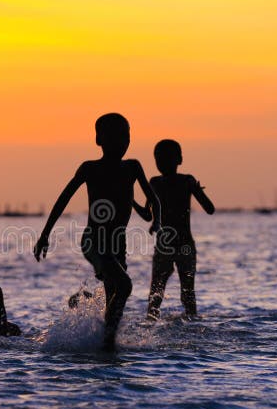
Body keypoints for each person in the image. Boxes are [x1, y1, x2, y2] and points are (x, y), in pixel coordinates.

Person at [33, 113, 160, 350]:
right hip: (94, 241)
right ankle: (106, 343)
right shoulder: (90, 168)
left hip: (117, 243)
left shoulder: (133, 167)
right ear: (98, 140)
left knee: (115, 292)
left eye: (125, 136)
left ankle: (103, 338)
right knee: (124, 285)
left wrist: (157, 221)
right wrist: (44, 235)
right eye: (113, 137)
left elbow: (153, 200)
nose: (121, 142)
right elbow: (63, 199)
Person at [132, 139, 214, 320]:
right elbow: (147, 214)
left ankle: (191, 323)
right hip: (163, 247)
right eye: (158, 159)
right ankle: (150, 325)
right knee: (155, 295)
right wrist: (130, 199)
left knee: (187, 292)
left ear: (179, 160)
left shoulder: (187, 181)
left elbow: (210, 209)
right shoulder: (154, 183)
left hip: (185, 245)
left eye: (167, 158)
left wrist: (197, 190)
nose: (162, 163)